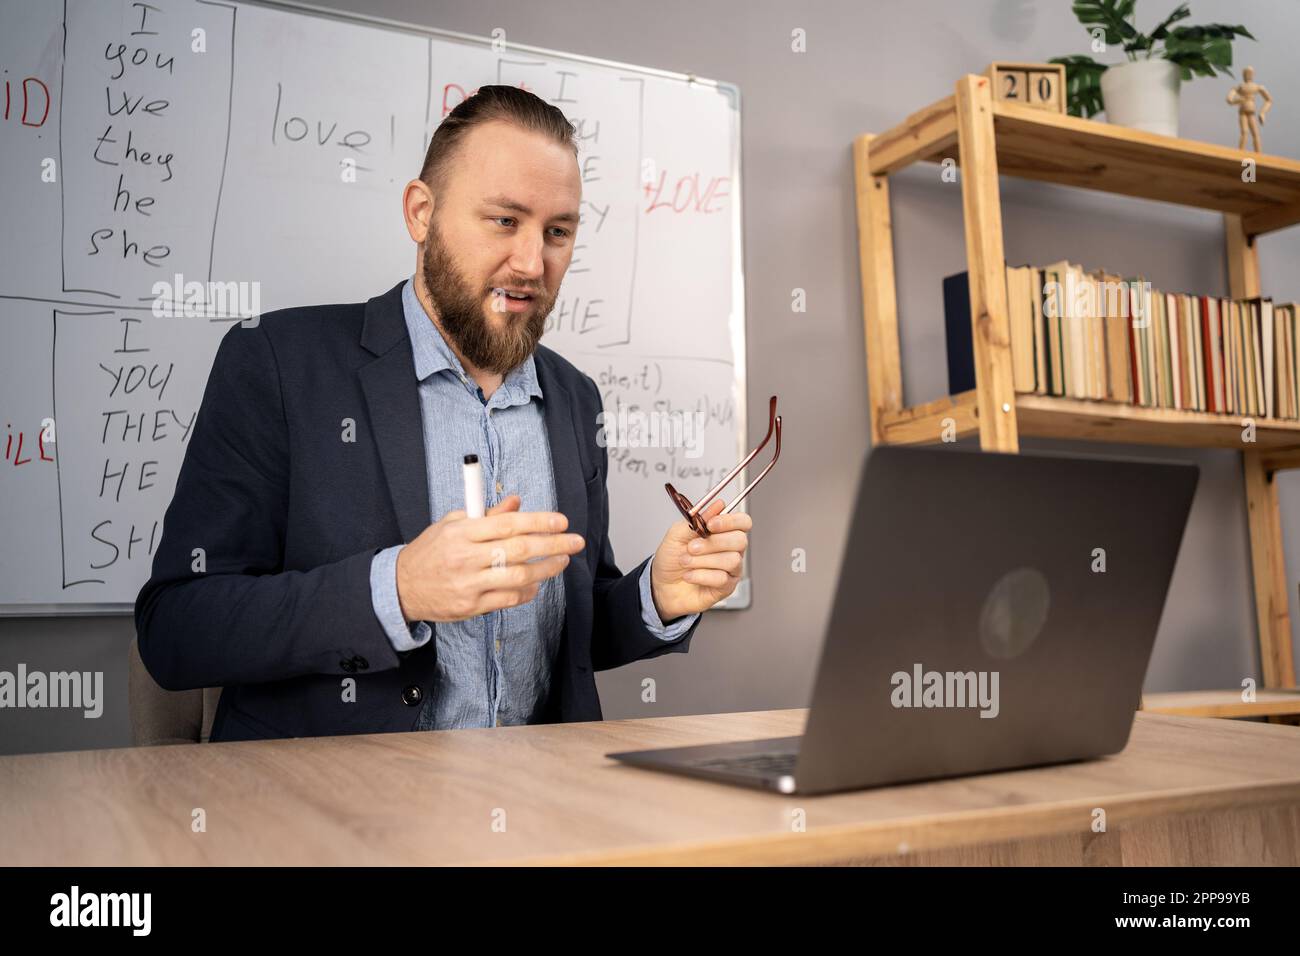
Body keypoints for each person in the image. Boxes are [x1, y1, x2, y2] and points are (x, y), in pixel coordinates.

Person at [135, 86, 751, 742]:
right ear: (421, 213)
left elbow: (571, 635)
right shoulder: (279, 363)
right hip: (336, 817)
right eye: (504, 220)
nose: (531, 262)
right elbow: (178, 630)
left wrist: (658, 595)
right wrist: (397, 590)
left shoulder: (574, 397)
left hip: (541, 811)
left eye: (558, 232)